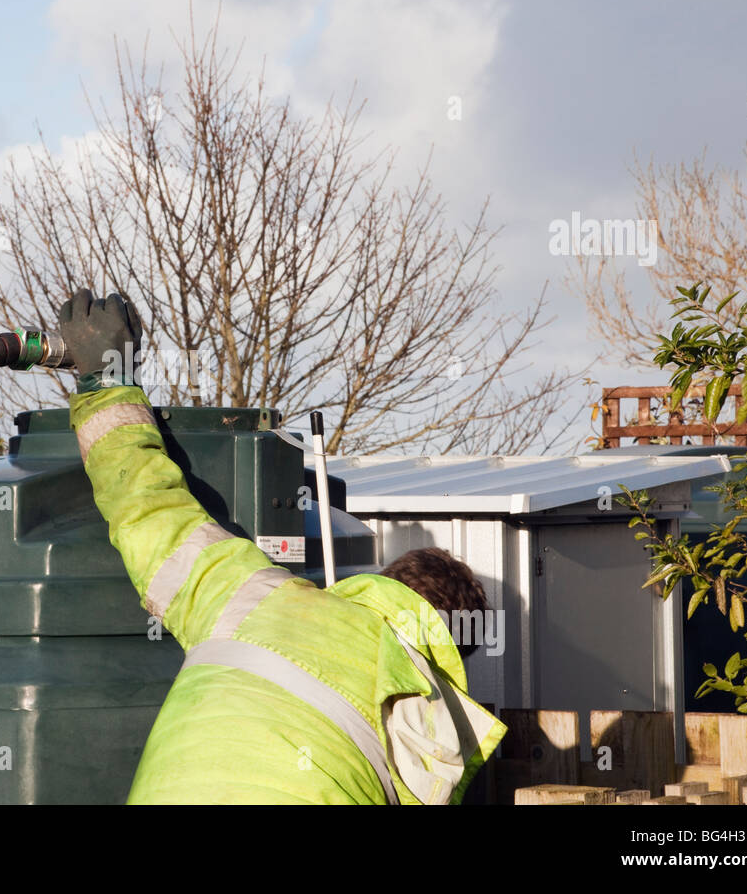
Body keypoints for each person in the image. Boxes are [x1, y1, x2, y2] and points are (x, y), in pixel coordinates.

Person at [57, 288, 506, 804]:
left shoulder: (255, 598)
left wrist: (106, 383)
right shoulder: (430, 729)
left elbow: (147, 507)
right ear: (447, 648)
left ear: (380, 584)